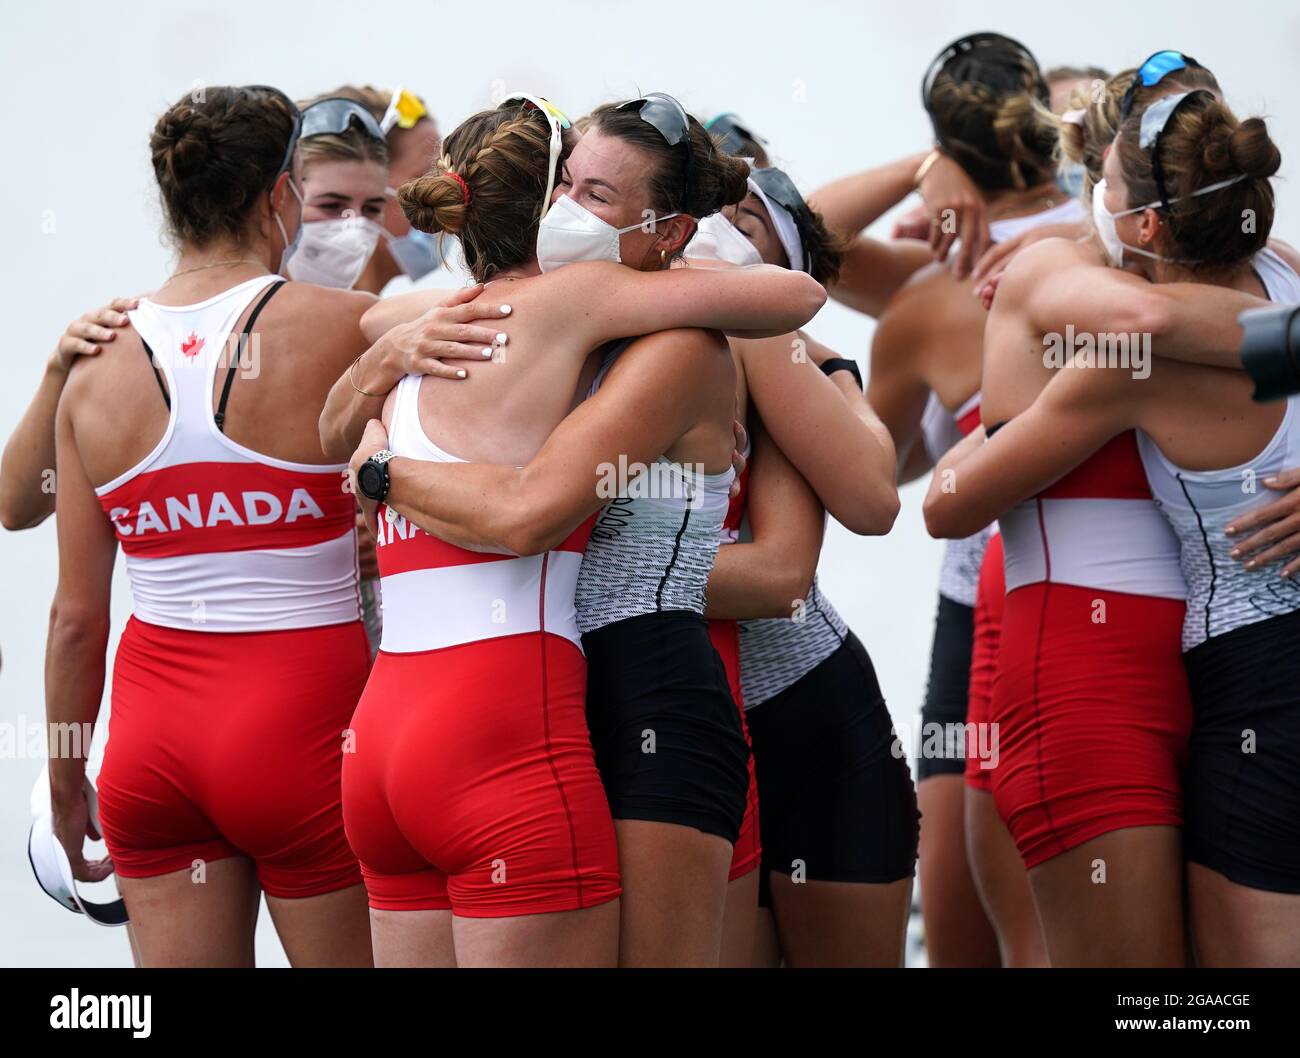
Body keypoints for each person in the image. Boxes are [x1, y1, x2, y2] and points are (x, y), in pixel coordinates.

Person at [321, 95, 826, 967]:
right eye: (569, 189)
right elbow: (378, 332)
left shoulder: (664, 336)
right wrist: (395, 349)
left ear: (669, 232)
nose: (573, 213)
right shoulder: (515, 317)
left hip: (648, 689)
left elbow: (528, 510)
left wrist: (381, 466)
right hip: (545, 699)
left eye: (596, 197)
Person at [924, 77, 1292, 967]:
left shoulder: (1239, 294)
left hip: (1217, 678)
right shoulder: (1071, 276)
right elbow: (1145, 314)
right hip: (1090, 680)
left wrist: (960, 458)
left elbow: (946, 500)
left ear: (1144, 216)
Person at [44, 85, 383, 967]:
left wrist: (63, 779)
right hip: (306, 734)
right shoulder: (350, 329)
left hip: (149, 753)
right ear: (281, 194)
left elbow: (75, 619)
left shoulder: (90, 367)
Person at [858, 32, 1082, 967]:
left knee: (973, 931)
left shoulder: (934, 296)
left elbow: (872, 481)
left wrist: (924, 169)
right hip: (995, 612)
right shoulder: (1126, 250)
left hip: (1014, 613)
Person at [690, 168, 917, 966]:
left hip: (808, 722)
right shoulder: (625, 329)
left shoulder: (799, 362)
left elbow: (791, 569)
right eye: (704, 209)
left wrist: (570, 562)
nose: (714, 229)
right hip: (677, 734)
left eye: (742, 221)